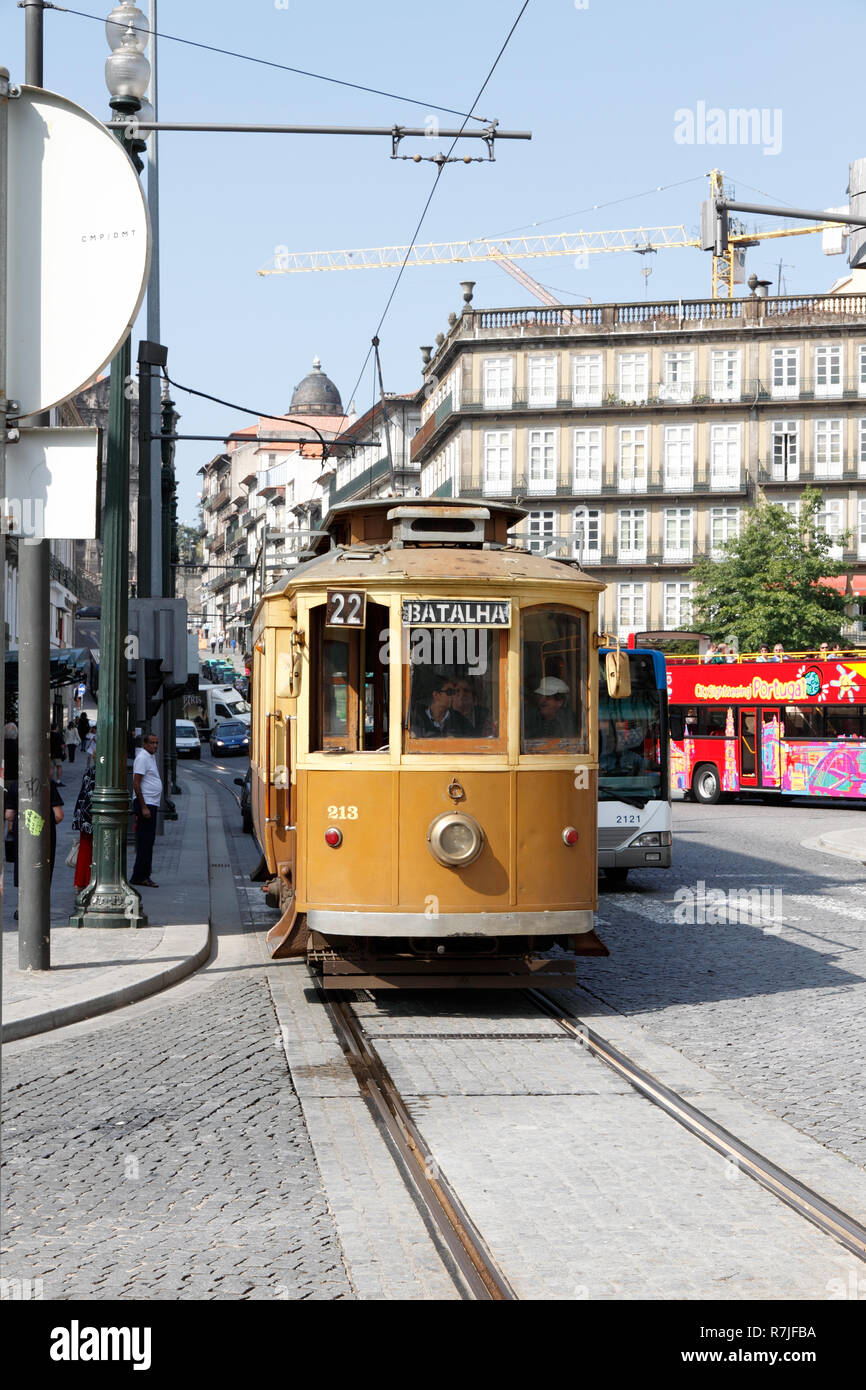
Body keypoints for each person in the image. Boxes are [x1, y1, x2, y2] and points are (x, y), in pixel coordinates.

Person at [130, 732, 163, 887]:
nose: (155, 745)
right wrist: (143, 807)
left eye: (156, 743)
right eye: (152, 743)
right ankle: (141, 876)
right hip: (146, 804)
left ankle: (141, 874)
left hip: (151, 803)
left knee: (148, 841)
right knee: (145, 841)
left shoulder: (150, 756)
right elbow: (136, 783)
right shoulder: (143, 758)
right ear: (145, 744)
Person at [410, 673, 471, 738]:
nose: (453, 696)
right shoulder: (416, 720)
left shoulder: (460, 721)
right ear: (436, 695)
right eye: (449, 692)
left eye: (453, 692)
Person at [71, 764, 95, 899]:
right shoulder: (102, 771)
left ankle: (80, 882)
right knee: (89, 848)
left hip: (83, 811)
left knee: (85, 848)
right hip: (91, 813)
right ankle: (86, 882)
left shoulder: (90, 769)